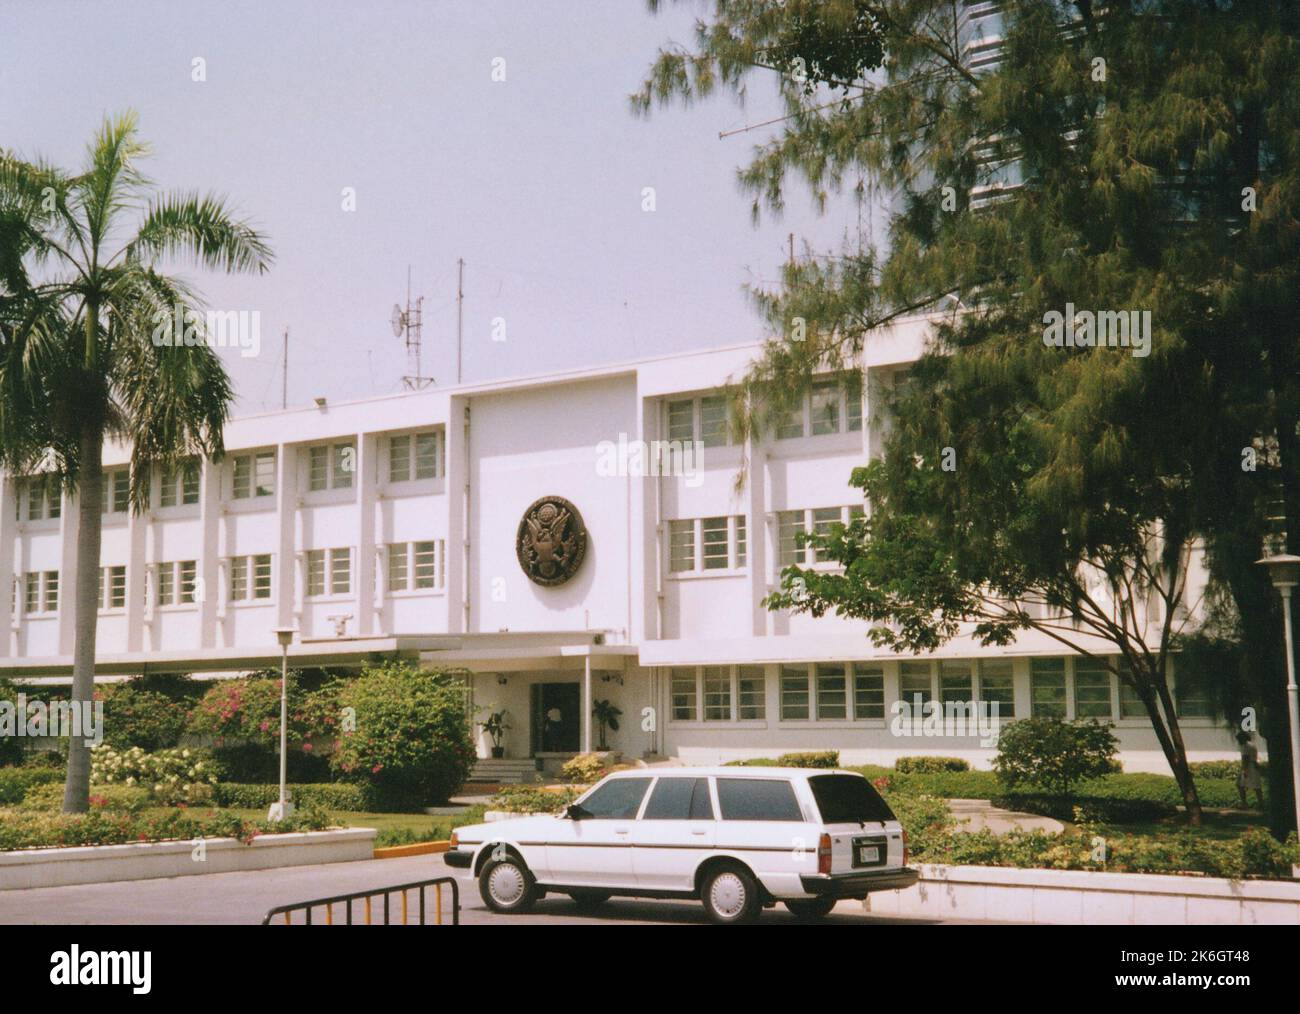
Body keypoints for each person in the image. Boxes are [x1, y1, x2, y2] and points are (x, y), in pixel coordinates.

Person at [1236, 731, 1264, 810]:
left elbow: (1245, 759)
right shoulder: (1252, 745)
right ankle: (1261, 804)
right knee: (1257, 786)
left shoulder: (1245, 746)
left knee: (1240, 785)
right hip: (1254, 766)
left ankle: (1244, 804)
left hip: (1249, 768)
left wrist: (1244, 770)